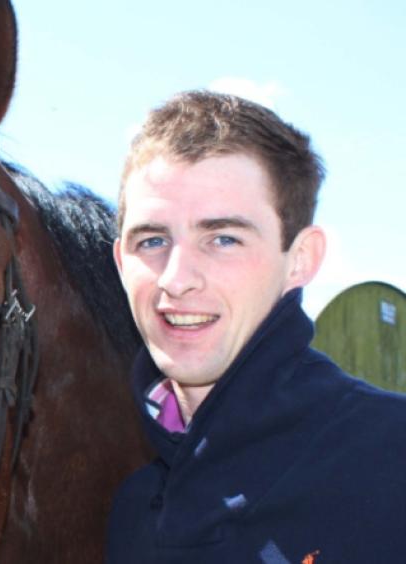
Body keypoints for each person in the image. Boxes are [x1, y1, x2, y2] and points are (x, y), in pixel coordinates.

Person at [107, 90, 406, 564]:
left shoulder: (391, 460)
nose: (176, 279)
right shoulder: (128, 511)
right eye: (153, 239)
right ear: (121, 263)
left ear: (300, 260)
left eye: (223, 238)